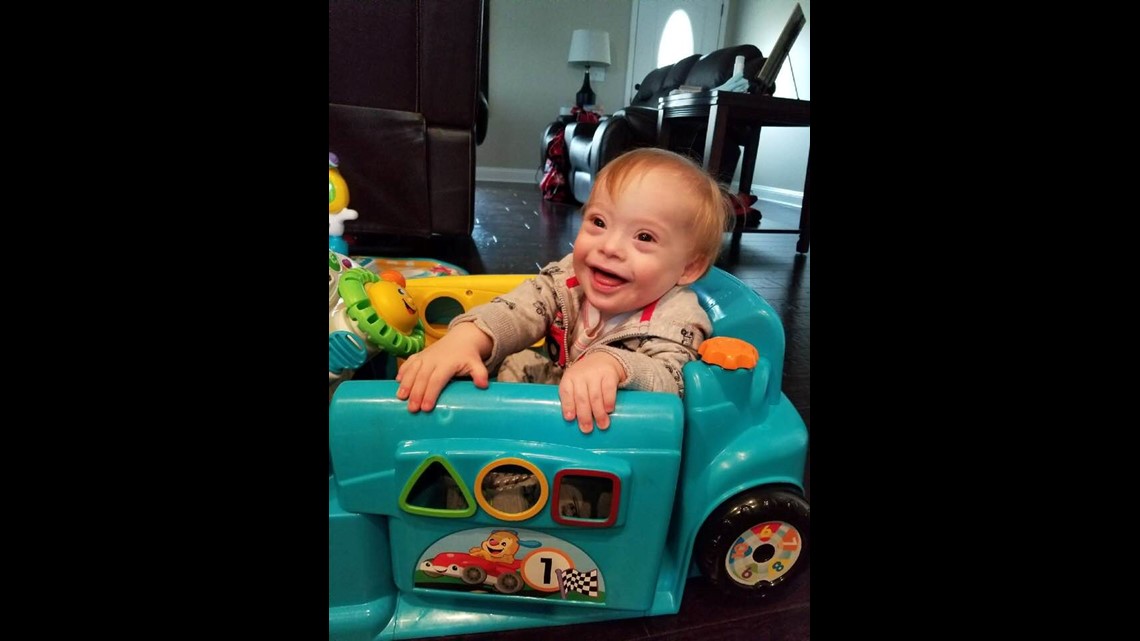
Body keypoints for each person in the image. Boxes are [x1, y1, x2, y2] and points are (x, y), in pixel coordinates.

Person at [396, 147, 732, 433]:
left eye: (644, 237)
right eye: (599, 222)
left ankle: (511, 486)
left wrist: (615, 365)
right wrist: (465, 339)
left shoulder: (678, 318)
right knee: (518, 362)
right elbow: (521, 306)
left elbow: (674, 381)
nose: (610, 247)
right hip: (561, 391)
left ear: (688, 268)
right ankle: (489, 438)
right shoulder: (571, 278)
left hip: (611, 429)